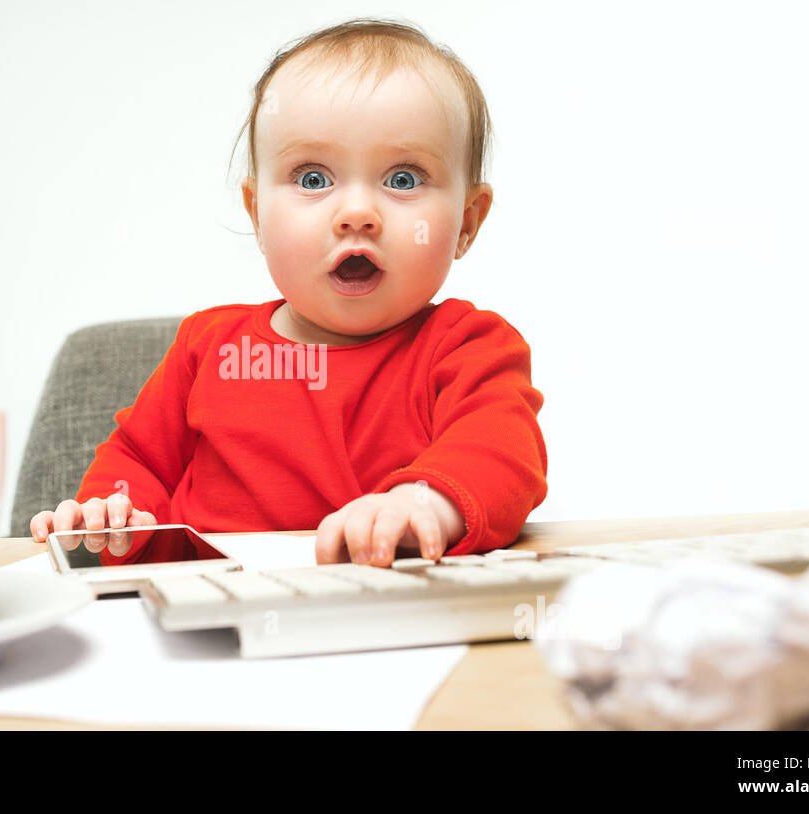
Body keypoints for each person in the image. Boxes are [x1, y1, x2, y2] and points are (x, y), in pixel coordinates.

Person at [31, 18, 547, 567]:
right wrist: (111, 513)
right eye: (312, 179)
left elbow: (502, 453)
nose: (356, 214)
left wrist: (424, 502)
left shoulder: (468, 347)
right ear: (257, 214)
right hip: (204, 614)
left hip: (379, 616)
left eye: (402, 179)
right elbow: (138, 461)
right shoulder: (209, 348)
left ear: (467, 222)